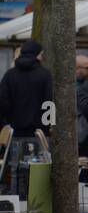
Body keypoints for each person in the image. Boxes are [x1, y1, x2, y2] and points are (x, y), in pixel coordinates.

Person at [0, 39, 54, 194]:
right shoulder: (44, 75)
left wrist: (6, 123)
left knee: (16, 169)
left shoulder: (10, 75)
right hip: (38, 133)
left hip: (16, 132)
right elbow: (48, 102)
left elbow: (3, 102)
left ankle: (17, 201)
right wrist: (49, 126)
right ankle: (36, 200)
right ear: (37, 55)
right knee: (38, 169)